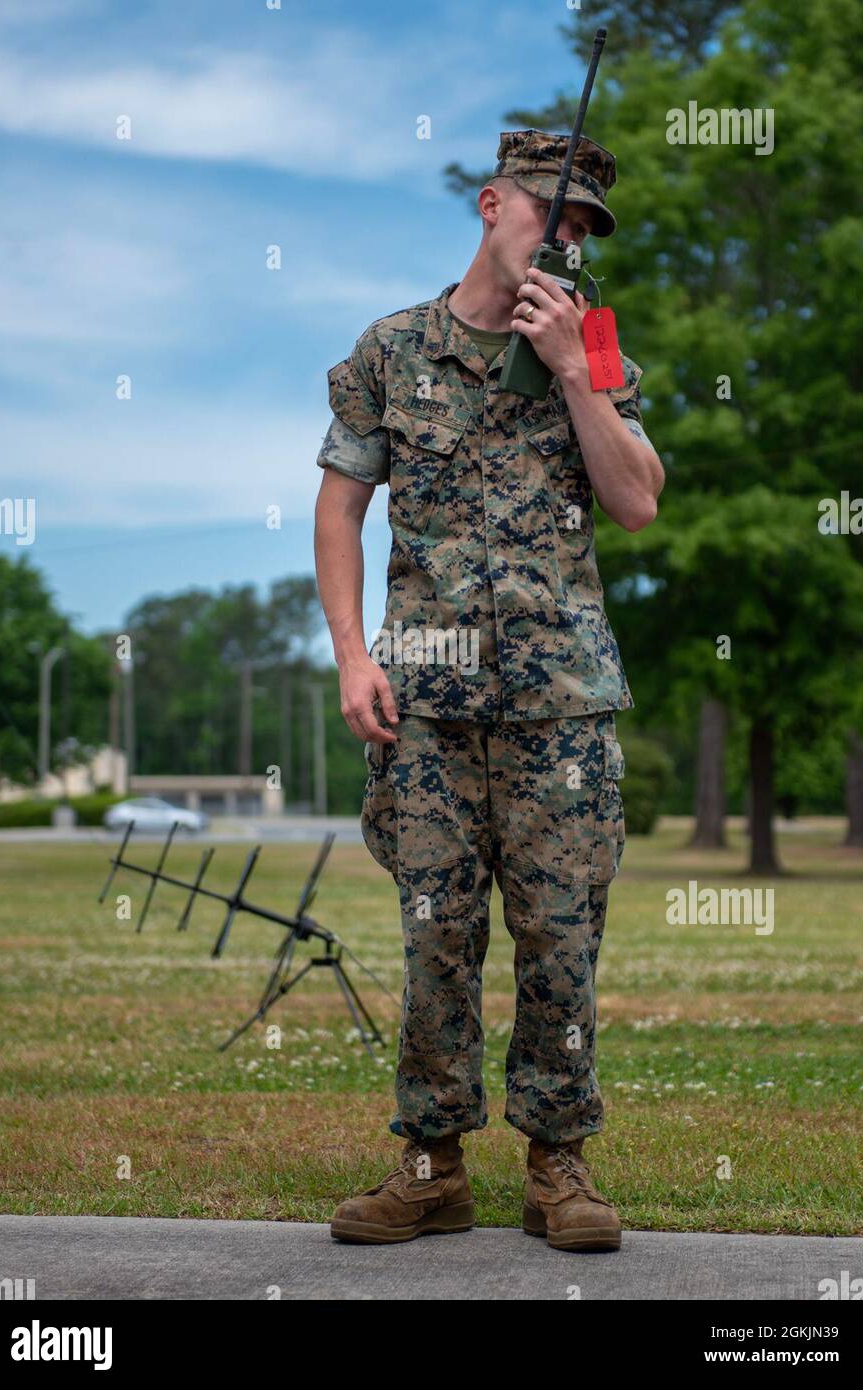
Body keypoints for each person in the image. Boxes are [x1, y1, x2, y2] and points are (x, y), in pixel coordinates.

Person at [313, 128, 664, 1252]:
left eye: (581, 226)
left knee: (559, 941)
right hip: (427, 707)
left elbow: (637, 501)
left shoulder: (592, 342)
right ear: (489, 203)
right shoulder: (390, 349)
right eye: (550, 213)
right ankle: (430, 1164)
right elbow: (338, 506)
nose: (563, 237)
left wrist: (573, 371)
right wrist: (351, 654)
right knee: (435, 940)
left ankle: (558, 1167)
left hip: (559, 706)